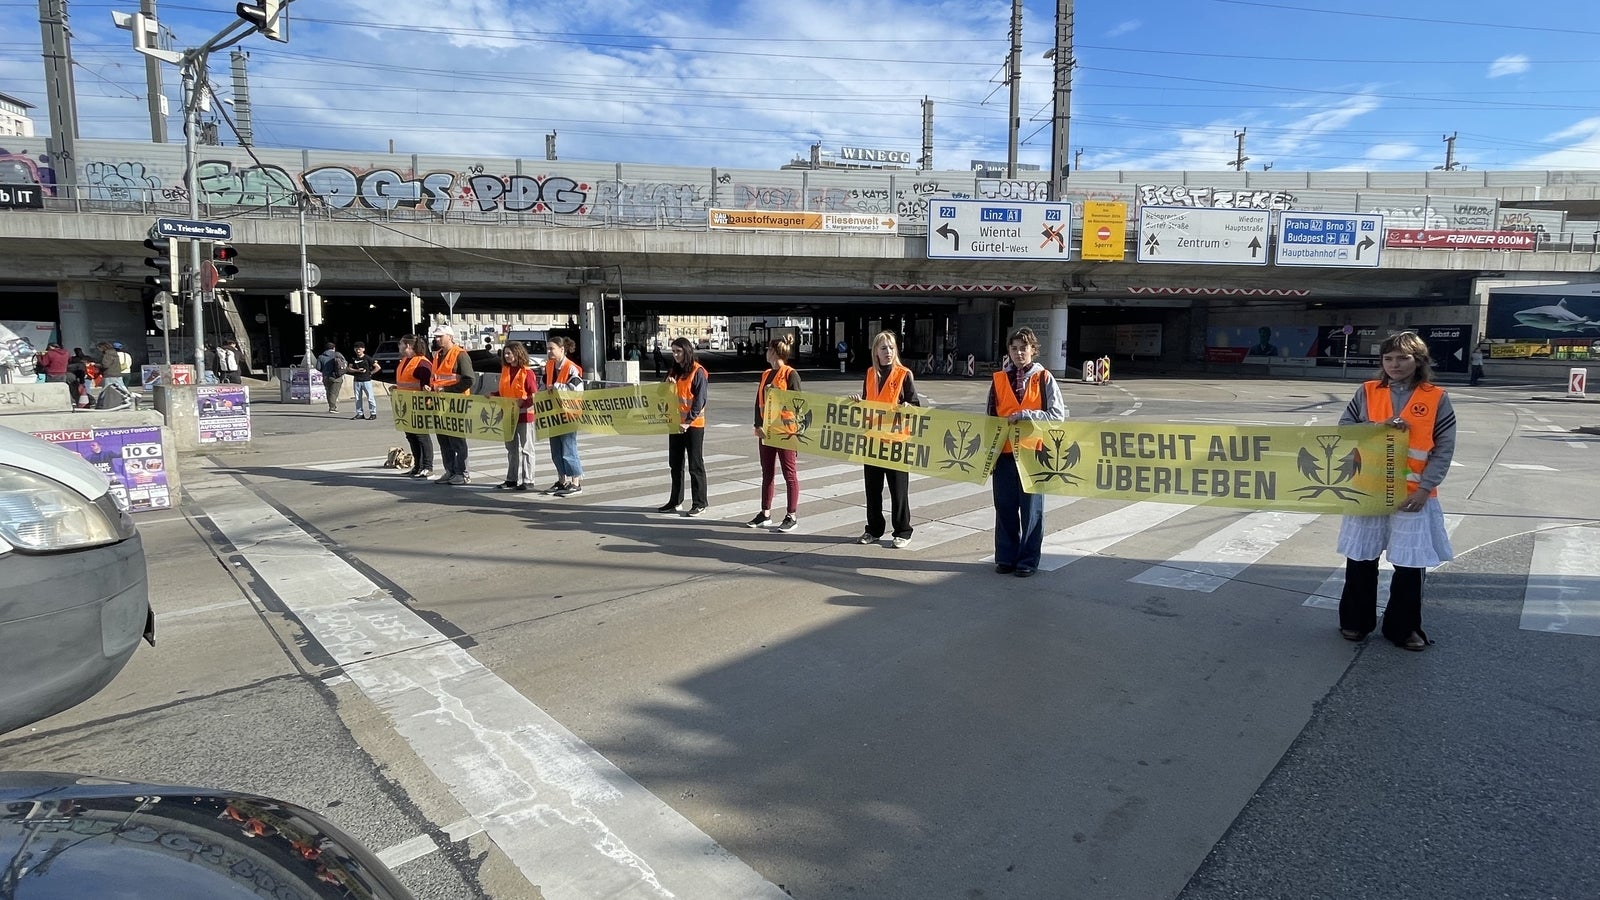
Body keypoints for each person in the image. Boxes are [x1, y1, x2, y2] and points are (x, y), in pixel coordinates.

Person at [1336, 331, 1456, 651]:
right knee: (1361, 558)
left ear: (1418, 361)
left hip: (1412, 495)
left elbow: (1443, 449)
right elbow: (1345, 430)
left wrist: (1424, 489)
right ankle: (1355, 621)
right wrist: (1378, 428)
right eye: (1388, 358)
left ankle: (1403, 628)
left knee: (1409, 564)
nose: (1394, 364)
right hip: (1369, 488)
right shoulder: (1367, 391)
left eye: (1402, 358)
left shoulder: (1435, 397)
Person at [988, 327, 1067, 577]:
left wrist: (1026, 415)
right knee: (1004, 507)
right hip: (1005, 454)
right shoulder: (999, 379)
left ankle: (1027, 561)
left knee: (1032, 510)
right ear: (1008, 351)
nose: (1019, 352)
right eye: (1014, 348)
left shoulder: (1044, 378)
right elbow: (991, 419)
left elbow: (1057, 416)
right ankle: (1005, 557)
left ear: (1033, 349)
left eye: (1024, 348)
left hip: (1034, 454)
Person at [853, 330, 920, 548]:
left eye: (891, 348)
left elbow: (916, 405)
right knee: (872, 490)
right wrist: (857, 402)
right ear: (876, 352)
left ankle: (903, 530)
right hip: (872, 440)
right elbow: (867, 402)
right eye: (884, 348)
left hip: (896, 442)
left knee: (898, 490)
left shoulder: (903, 374)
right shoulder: (870, 374)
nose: (888, 352)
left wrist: (910, 407)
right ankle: (873, 529)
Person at [748, 336, 803, 532]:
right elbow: (758, 402)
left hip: (786, 432)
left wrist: (777, 394)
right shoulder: (766, 375)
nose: (765, 352)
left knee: (789, 474)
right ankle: (765, 513)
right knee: (767, 473)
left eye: (768, 349)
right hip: (766, 431)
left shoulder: (790, 374)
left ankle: (791, 515)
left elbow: (799, 404)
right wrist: (757, 424)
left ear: (774, 352)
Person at [659, 337, 708, 515]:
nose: (676, 355)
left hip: (693, 425)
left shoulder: (698, 371)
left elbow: (700, 400)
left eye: (678, 351)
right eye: (673, 351)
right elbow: (659, 392)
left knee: (695, 464)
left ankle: (700, 502)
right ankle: (675, 501)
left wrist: (687, 422)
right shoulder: (674, 371)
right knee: (675, 464)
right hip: (675, 424)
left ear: (687, 351)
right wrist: (667, 385)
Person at [428, 324, 476, 485]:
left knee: (456, 439)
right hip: (439, 403)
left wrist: (447, 389)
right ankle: (450, 470)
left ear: (450, 336)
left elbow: (469, 380)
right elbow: (436, 378)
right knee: (443, 439)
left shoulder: (460, 354)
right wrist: (431, 388)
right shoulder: (437, 355)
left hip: (456, 403)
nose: (437, 339)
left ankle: (463, 473)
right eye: (435, 336)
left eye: (440, 336)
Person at [490, 340, 539, 491]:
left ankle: (528, 480)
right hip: (508, 415)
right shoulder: (505, 370)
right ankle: (511, 479)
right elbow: (505, 391)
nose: (506, 356)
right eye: (505, 353)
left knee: (526, 448)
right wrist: (494, 395)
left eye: (509, 353)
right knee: (511, 449)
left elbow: (533, 395)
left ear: (517, 353)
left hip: (525, 415)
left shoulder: (527, 372)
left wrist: (522, 404)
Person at [542, 336, 586, 496]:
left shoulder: (571, 368)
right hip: (553, 413)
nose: (549, 352)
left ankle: (576, 482)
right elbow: (543, 385)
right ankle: (562, 480)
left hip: (569, 414)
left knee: (568, 448)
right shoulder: (549, 366)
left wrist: (557, 386)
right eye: (547, 349)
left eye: (551, 349)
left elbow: (577, 390)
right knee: (556, 450)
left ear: (562, 349)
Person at [392, 335, 435, 478]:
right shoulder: (405, 361)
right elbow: (406, 383)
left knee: (421, 436)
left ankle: (427, 466)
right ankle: (417, 466)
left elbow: (428, 385)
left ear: (408, 346)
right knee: (411, 436)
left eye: (400, 344)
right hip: (405, 406)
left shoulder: (422, 363)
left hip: (419, 405)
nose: (399, 347)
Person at [348, 342, 380, 419]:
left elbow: (378, 367)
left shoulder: (367, 358)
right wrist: (357, 370)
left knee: (370, 397)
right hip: (357, 380)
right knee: (358, 398)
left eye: (359, 349)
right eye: (356, 349)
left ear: (363, 349)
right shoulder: (353, 358)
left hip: (366, 380)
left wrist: (370, 373)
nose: (358, 351)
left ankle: (373, 413)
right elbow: (349, 369)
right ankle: (360, 413)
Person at [316, 342, 348, 413]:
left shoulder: (321, 357)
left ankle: (331, 406)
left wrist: (324, 370)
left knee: (328, 392)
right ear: (334, 348)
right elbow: (344, 364)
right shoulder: (337, 355)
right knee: (334, 393)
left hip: (326, 377)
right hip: (336, 377)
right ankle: (332, 408)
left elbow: (318, 368)